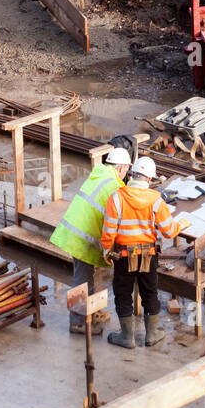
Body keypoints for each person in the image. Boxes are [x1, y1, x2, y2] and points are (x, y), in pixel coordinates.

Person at [100, 155, 190, 349]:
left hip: (123, 256)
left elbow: (108, 231)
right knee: (150, 292)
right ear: (149, 179)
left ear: (132, 175)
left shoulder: (116, 197)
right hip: (148, 255)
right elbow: (168, 231)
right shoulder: (156, 200)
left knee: (123, 294)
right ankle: (151, 335)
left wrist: (107, 251)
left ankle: (127, 337)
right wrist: (181, 224)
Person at [51, 146, 131, 334]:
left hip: (75, 232)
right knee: (82, 281)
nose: (126, 174)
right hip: (82, 238)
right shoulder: (115, 185)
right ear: (120, 168)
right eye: (126, 169)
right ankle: (78, 322)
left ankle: (91, 312)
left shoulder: (99, 175)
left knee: (88, 278)